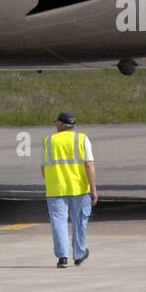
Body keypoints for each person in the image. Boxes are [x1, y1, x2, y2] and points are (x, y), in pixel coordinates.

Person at [41, 112, 97, 268]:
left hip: (56, 189)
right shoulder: (82, 139)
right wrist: (93, 189)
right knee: (79, 221)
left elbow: (43, 167)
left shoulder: (49, 141)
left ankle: (62, 257)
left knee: (58, 222)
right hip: (79, 188)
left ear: (60, 124)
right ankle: (79, 254)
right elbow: (89, 165)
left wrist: (52, 181)